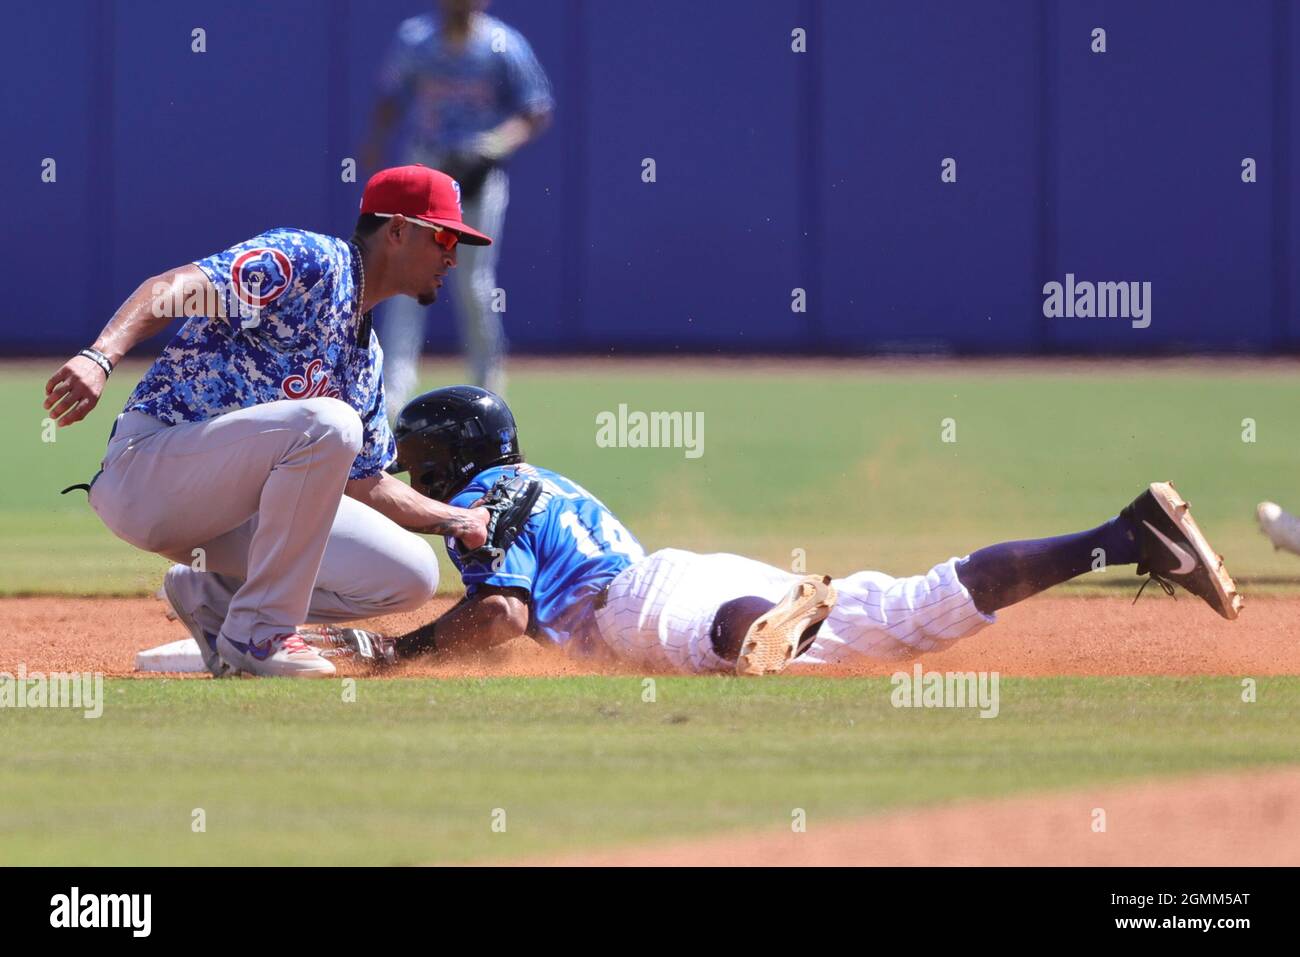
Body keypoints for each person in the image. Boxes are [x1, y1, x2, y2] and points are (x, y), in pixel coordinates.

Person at [373, 387, 1243, 675]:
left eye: (418, 460)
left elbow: (503, 617)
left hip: (634, 604)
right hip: (682, 572)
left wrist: (396, 654)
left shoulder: (481, 497)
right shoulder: (539, 479)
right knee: (913, 608)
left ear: (455, 455)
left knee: (714, 638)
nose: (415, 478)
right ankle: (1124, 535)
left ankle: (766, 618)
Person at [44, 166, 494, 678]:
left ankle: (212, 597)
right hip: (149, 475)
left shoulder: (365, 355)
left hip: (228, 513)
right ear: (396, 230)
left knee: (409, 574)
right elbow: (175, 286)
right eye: (443, 236)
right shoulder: (312, 261)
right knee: (330, 422)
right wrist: (100, 356)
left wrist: (458, 519)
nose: (453, 256)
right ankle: (261, 634)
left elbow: (365, 483)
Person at [362, 0, 554, 411]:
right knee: (402, 277)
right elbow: (391, 95)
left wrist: (495, 144)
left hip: (477, 172)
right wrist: (375, 144)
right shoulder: (417, 39)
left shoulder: (502, 44)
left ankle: (489, 381)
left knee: (472, 282)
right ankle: (395, 385)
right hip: (426, 169)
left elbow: (536, 109)